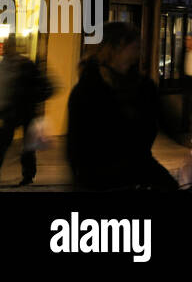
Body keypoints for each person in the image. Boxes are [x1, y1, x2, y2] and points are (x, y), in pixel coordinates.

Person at [67, 22, 179, 191]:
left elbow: (165, 119)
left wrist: (190, 146)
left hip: (139, 166)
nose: (139, 52)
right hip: (100, 175)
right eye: (135, 46)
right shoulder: (88, 89)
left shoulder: (143, 85)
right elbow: (76, 144)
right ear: (118, 47)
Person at [0, 35, 53, 186]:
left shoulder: (21, 65)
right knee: (21, 145)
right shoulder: (9, 65)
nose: (5, 48)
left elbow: (46, 86)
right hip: (18, 111)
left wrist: (34, 99)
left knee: (14, 144)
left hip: (18, 111)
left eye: (7, 45)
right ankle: (28, 175)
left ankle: (28, 175)